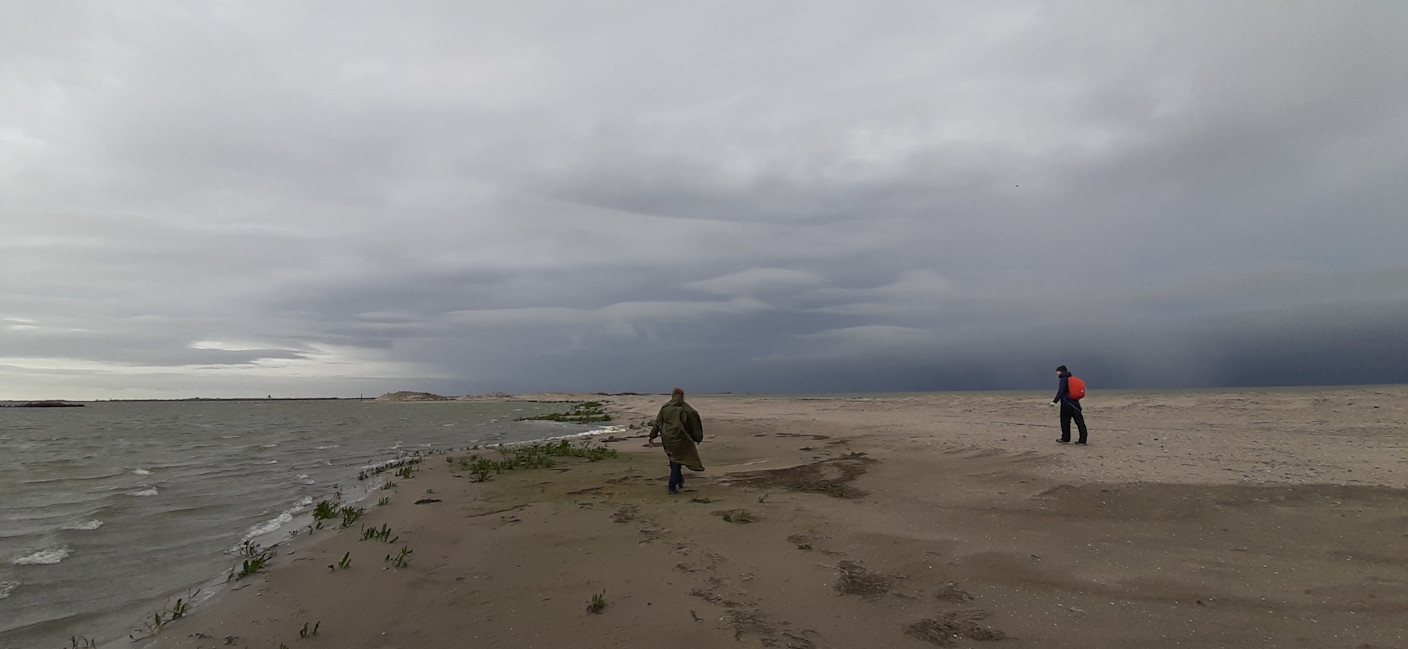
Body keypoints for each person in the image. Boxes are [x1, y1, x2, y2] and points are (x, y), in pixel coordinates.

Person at [648, 387, 704, 494]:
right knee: (677, 462)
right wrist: (697, 437)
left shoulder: (665, 408)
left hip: (668, 439)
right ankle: (672, 486)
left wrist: (652, 436)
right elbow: (694, 423)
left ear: (673, 395)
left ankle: (679, 481)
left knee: (674, 460)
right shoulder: (686, 409)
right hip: (682, 439)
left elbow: (657, 423)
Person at [1052, 365, 1088, 444]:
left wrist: (1054, 401)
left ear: (1061, 371)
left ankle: (1065, 439)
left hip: (1066, 404)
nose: (1057, 374)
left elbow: (1060, 391)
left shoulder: (1063, 380)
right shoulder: (1070, 379)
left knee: (1065, 422)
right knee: (1079, 422)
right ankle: (1083, 439)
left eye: (1057, 372)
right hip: (1075, 404)